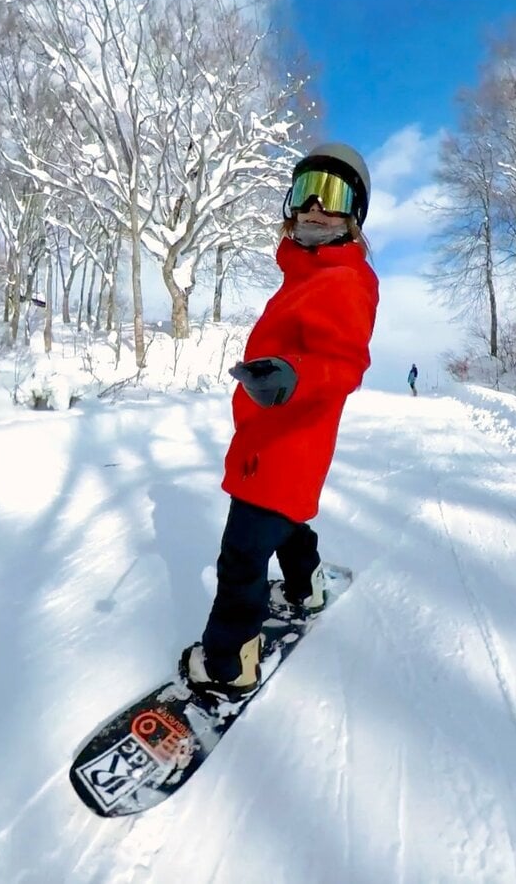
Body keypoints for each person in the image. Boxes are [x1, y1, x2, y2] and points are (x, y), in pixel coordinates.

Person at [180, 143, 380, 697]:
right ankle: (305, 588)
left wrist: (295, 373)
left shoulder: (344, 281)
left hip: (288, 439)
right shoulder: (303, 275)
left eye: (334, 194)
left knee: (242, 556)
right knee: (286, 517)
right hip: (273, 437)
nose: (315, 205)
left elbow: (346, 363)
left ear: (353, 216)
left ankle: (228, 663)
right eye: (305, 190)